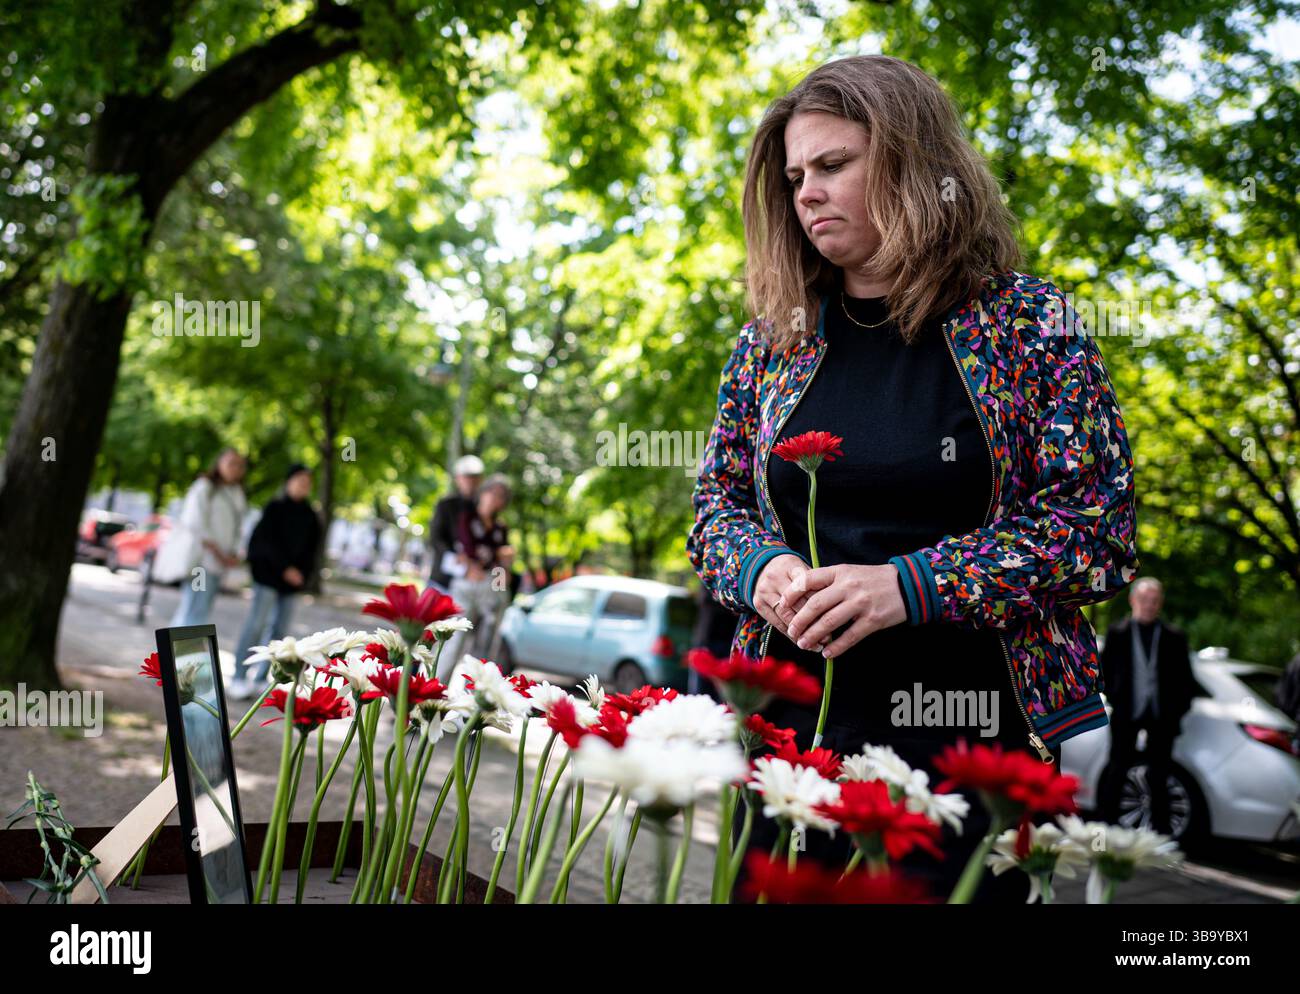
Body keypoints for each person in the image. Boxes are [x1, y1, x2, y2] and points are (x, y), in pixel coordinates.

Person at [685, 55, 1139, 902]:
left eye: (832, 165)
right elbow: (714, 508)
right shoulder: (769, 341)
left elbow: (1099, 528)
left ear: (911, 160)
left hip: (964, 742)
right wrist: (760, 569)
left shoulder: (1033, 325)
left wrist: (915, 586)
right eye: (792, 176)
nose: (806, 193)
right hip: (791, 740)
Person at [1098, 577, 1197, 835]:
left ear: (1160, 604)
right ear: (1133, 600)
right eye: (1144, 600)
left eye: (1154, 601)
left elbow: (1186, 680)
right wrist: (1114, 697)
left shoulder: (1174, 637)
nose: (1149, 605)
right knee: (1117, 769)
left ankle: (1160, 834)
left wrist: (1177, 710)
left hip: (1162, 716)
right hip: (1126, 712)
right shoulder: (1118, 633)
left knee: (1160, 775)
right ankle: (1107, 828)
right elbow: (1103, 671)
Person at [227, 463, 323, 700]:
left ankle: (262, 678)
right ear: (288, 481)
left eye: (307, 481)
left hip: (292, 584)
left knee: (280, 632)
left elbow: (313, 551)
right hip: (268, 577)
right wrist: (285, 569)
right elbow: (263, 544)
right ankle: (239, 675)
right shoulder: (274, 508)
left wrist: (302, 574)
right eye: (299, 479)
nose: (303, 484)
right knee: (256, 625)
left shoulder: (311, 515)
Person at [438, 474, 515, 682]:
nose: (495, 498)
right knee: (453, 643)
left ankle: (472, 701)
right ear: (483, 492)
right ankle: (432, 692)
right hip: (467, 587)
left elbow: (502, 565)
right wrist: (495, 557)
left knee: (485, 648)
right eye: (492, 492)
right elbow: (467, 553)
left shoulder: (501, 528)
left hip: (492, 588)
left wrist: (504, 564)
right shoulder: (467, 518)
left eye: (501, 496)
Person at [168, 447, 247, 628]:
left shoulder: (236, 493)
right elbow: (195, 523)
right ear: (219, 463)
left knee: (200, 610)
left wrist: (232, 553)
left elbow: (238, 527)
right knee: (193, 609)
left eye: (239, 465)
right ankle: (179, 654)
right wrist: (217, 551)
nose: (235, 469)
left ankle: (177, 654)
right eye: (231, 463)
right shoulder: (205, 488)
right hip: (200, 564)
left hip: (218, 565)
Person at [428, 455, 484, 593]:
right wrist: (459, 560)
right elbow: (436, 539)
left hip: (475, 588)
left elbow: (494, 552)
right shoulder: (446, 505)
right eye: (466, 476)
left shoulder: (486, 512)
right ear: (457, 478)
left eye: (475, 477)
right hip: (443, 581)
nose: (471, 481)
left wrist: (497, 583)